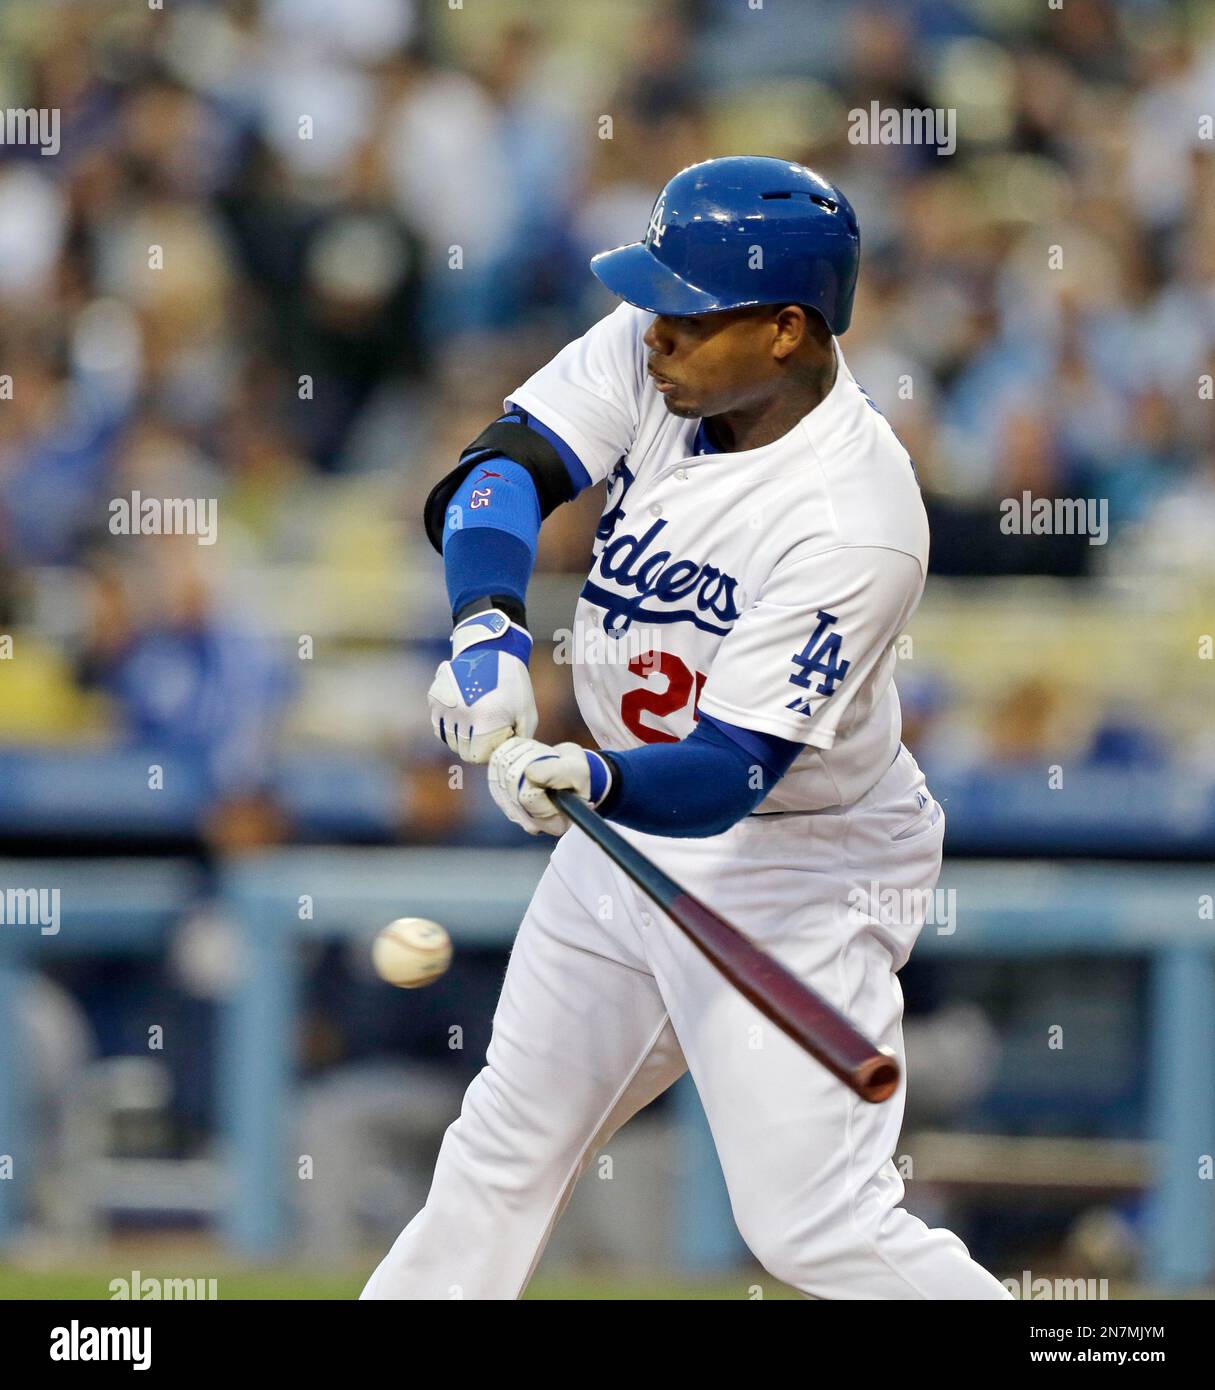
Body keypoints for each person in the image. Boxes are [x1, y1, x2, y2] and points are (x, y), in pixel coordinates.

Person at [363, 156, 1009, 1299]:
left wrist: (595, 778)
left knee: (817, 1227)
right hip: (623, 834)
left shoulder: (854, 518)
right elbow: (499, 472)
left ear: (786, 330)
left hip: (795, 867)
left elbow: (730, 774)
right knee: (503, 1150)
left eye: (692, 315)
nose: (656, 331)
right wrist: (486, 628)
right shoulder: (658, 357)